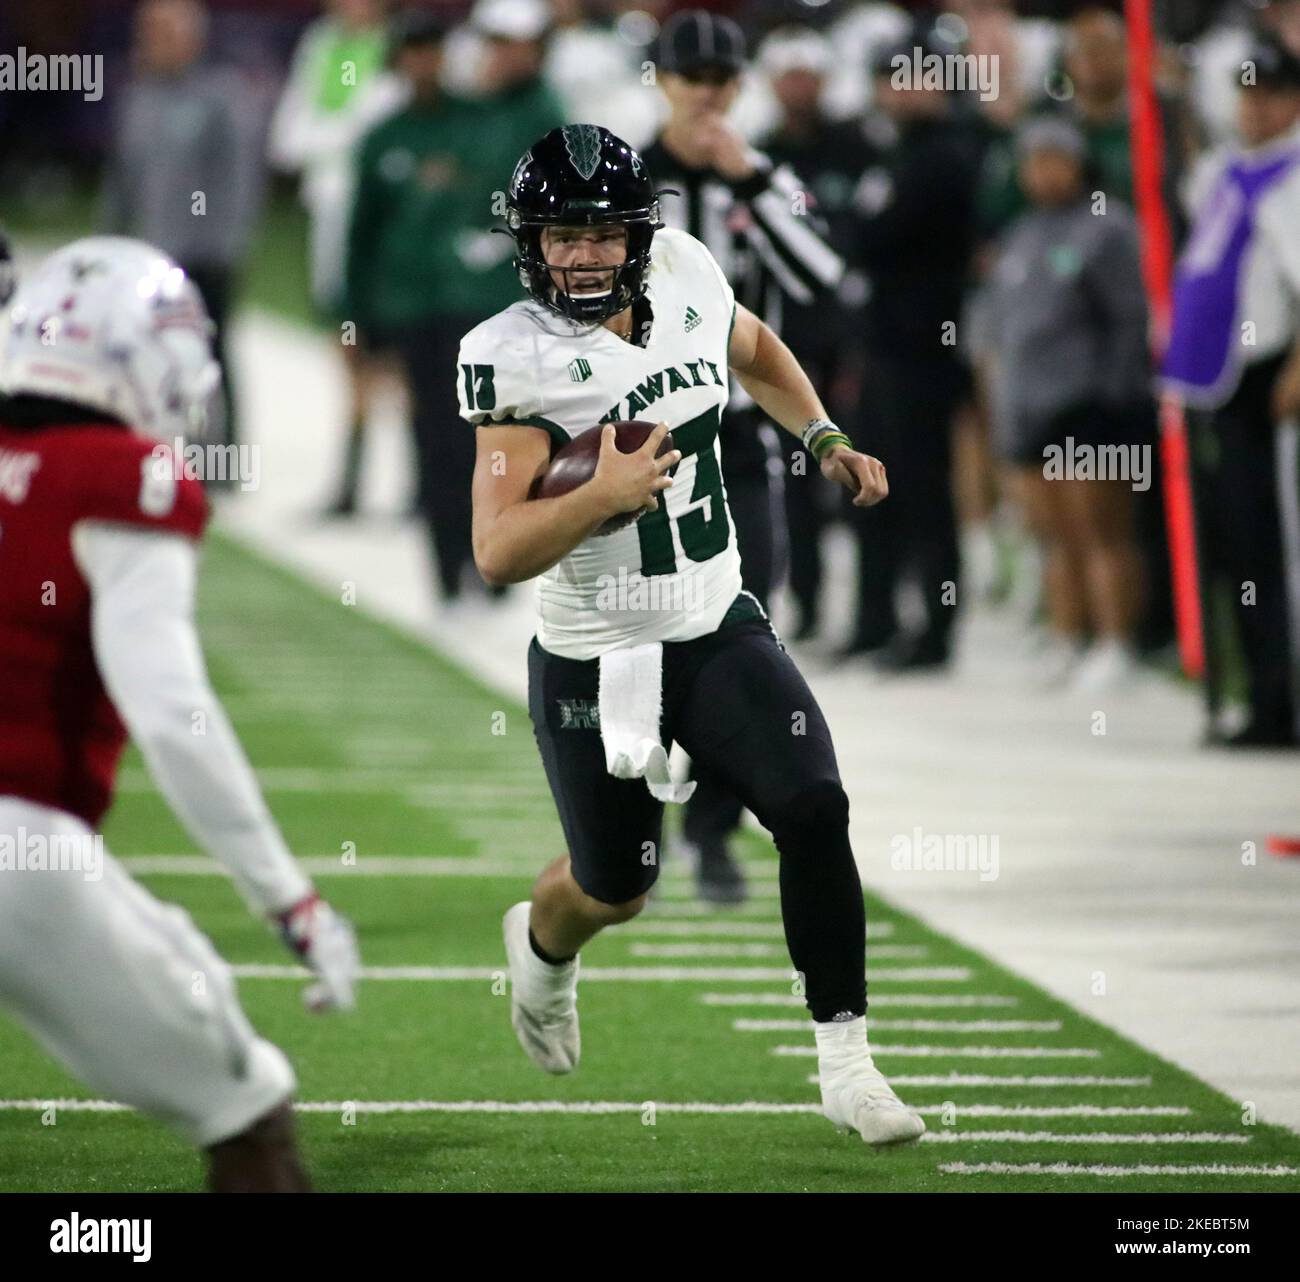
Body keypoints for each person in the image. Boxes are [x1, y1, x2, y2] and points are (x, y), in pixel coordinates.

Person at [460, 125, 924, 1147]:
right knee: (614, 887)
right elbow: (496, 551)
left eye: (599, 233)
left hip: (712, 619)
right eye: (558, 235)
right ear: (527, 241)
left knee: (813, 804)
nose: (579, 254)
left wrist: (822, 435)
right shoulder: (513, 356)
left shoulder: (685, 269)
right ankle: (541, 951)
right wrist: (600, 496)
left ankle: (846, 1061)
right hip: (592, 654)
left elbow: (752, 348)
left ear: (639, 234)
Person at [0, 237, 360, 1191]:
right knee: (247, 1110)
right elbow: (174, 714)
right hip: (17, 843)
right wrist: (288, 894)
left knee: (191, 972)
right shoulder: (120, 479)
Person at [639, 10, 845, 902]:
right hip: (641, 432)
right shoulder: (630, 178)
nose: (710, 96)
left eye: (724, 81)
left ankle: (714, 829)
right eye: (694, 80)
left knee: (741, 620)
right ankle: (629, 818)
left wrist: (751, 180)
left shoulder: (765, 176)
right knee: (641, 628)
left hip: (741, 430)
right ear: (663, 83)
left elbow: (821, 272)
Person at [345, 8, 563, 601]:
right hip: (413, 307)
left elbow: (541, 142)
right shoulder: (382, 137)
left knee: (495, 437)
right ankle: (446, 568)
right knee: (433, 440)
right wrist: (357, 317)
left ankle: (497, 563)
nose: (422, 61)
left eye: (431, 48)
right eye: (411, 49)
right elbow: (360, 234)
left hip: (483, 310)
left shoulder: (485, 121)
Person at [981, 118, 1152, 691]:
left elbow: (1130, 318)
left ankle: (1116, 641)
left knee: (1101, 530)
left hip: (1090, 406)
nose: (1044, 172)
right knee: (1052, 533)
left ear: (1080, 165)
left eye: (1056, 159)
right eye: (1033, 161)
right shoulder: (1022, 232)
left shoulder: (1107, 228)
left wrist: (1116, 392)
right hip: (1031, 406)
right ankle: (1066, 635)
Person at [1164, 34, 1300, 746]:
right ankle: (1249, 692)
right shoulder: (1228, 169)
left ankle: (1283, 702)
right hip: (1211, 384)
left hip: (1264, 383)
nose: (1257, 107)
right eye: (1248, 93)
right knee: (1234, 552)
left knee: (1273, 552)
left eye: (1272, 93)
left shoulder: (1295, 174)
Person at [842, 35, 980, 668]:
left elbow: (874, 234)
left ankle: (935, 628)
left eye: (909, 79)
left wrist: (853, 229)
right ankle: (876, 621)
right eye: (888, 80)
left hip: (927, 350)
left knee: (924, 491)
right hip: (885, 347)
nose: (897, 92)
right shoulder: (893, 153)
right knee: (872, 482)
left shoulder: (947, 155)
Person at [101, 0, 263, 462]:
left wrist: (227, 243)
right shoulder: (139, 96)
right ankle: (172, 447)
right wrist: (109, 240)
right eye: (150, 31)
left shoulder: (221, 96)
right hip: (153, 254)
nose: (155, 41)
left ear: (194, 36)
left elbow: (238, 179)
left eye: (167, 31)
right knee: (155, 357)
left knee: (211, 355)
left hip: (206, 255)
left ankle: (223, 456)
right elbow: (124, 178)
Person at [268, 0, 406, 516]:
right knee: (345, 349)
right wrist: (345, 136)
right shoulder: (322, 45)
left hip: (388, 224)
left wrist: (336, 137)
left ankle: (418, 486)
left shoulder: (400, 45)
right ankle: (351, 482)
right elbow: (287, 139)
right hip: (331, 222)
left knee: (398, 352)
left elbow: (387, 133)